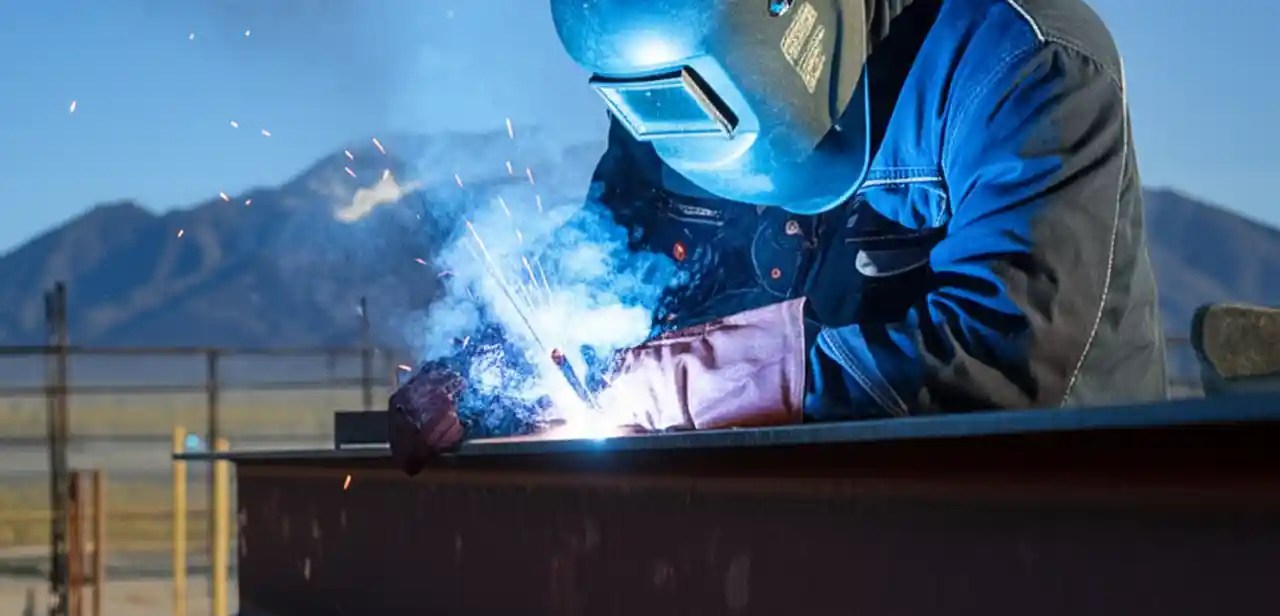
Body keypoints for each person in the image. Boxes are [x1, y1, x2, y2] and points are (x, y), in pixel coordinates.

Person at [391, 0, 1167, 473]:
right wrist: (493, 372)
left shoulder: (1017, 61)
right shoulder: (665, 75)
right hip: (817, 538)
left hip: (1042, 534)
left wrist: (677, 384)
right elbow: (605, 265)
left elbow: (1001, 357)